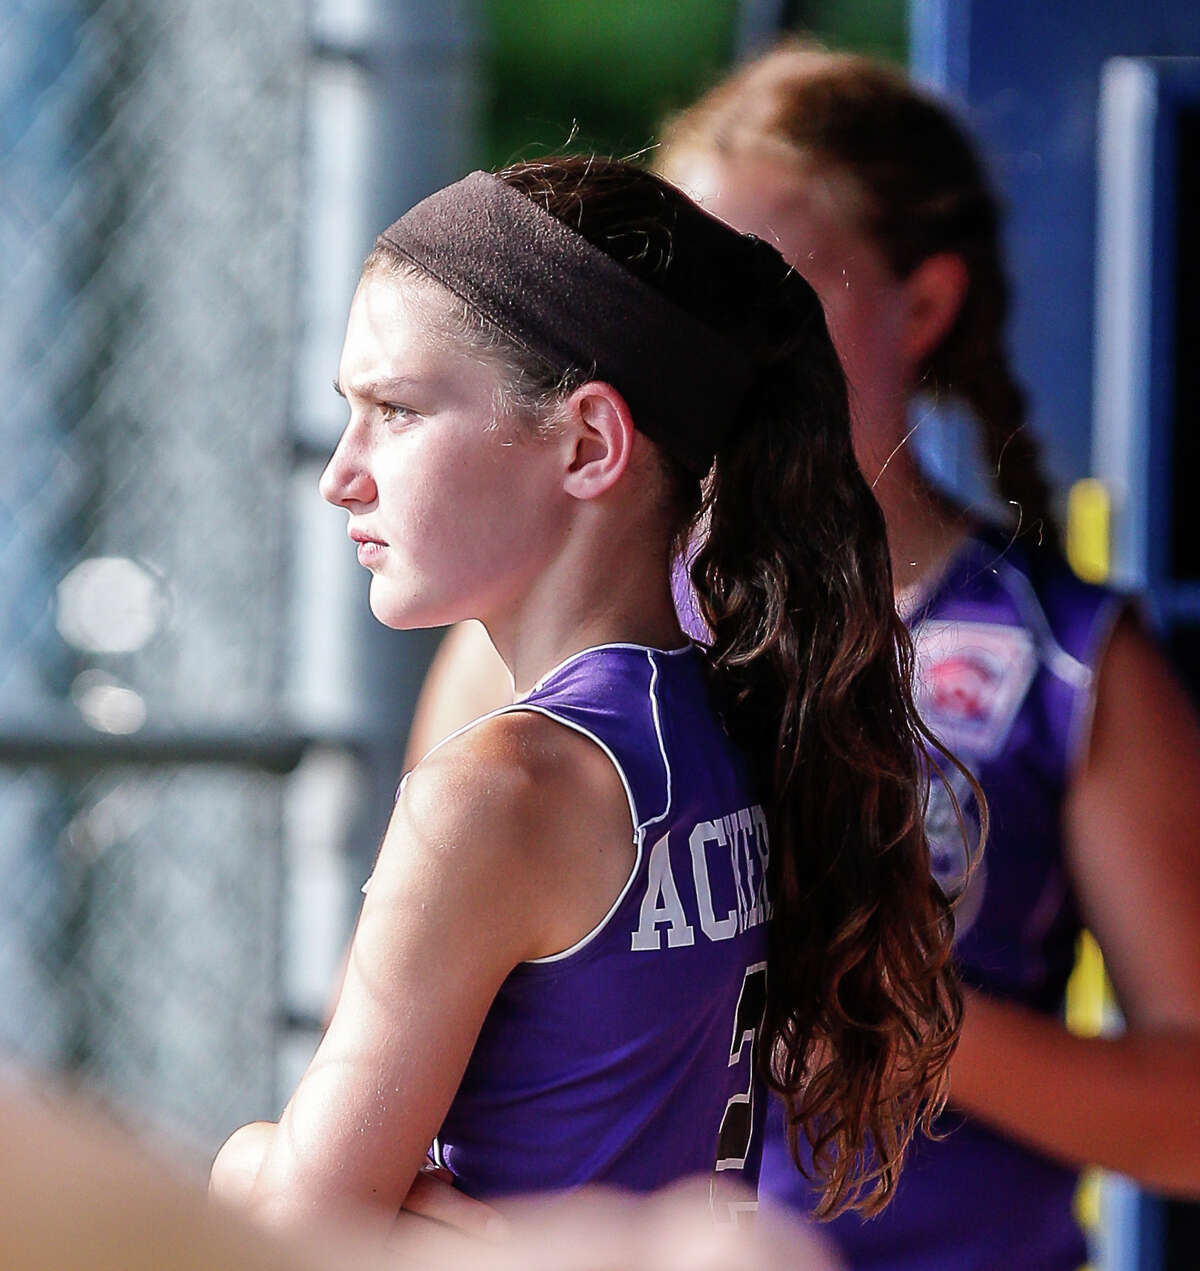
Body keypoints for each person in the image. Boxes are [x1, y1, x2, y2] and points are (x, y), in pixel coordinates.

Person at [208, 155, 962, 1241]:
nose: (341, 473)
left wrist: (243, 1161)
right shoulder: (733, 721)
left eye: (397, 410)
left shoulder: (500, 792)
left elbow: (294, 1234)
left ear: (588, 443)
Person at [652, 42, 1200, 1271]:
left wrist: (907, 1022)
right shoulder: (582, 610)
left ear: (925, 305)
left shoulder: (1068, 659)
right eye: (688, 293)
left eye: (774, 290)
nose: (724, 342)